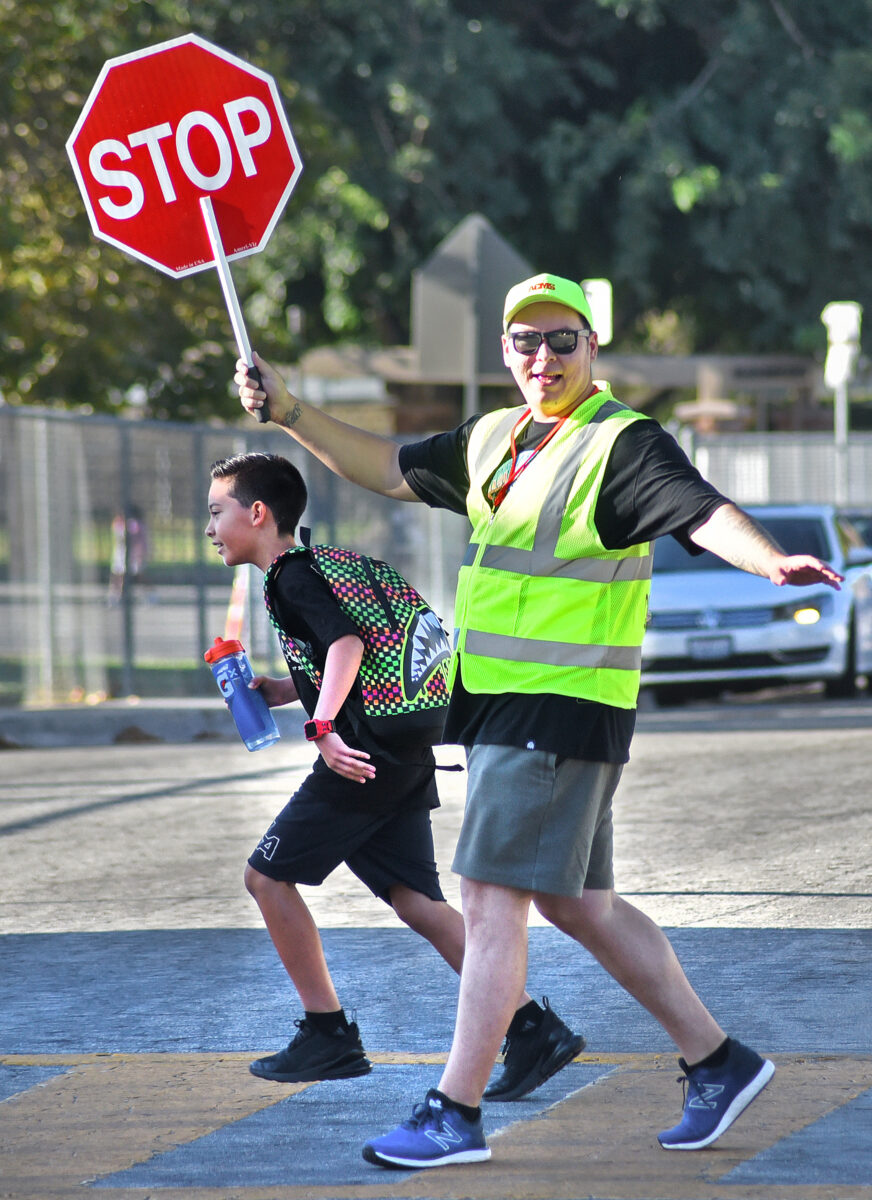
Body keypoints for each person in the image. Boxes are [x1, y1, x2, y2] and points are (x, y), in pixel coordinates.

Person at [234, 274, 844, 1167]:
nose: (544, 357)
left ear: (593, 348)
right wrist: (289, 411)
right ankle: (719, 1061)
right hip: (508, 711)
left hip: (559, 711)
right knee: (577, 902)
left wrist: (770, 563)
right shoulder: (495, 439)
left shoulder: (619, 443)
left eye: (564, 340)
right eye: (527, 342)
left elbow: (700, 509)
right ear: (507, 354)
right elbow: (388, 466)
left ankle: (456, 1112)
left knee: (485, 899)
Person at [205, 450, 584, 1094]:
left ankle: (327, 1033)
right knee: (417, 902)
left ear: (258, 513)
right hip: (404, 748)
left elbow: (347, 645)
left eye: (217, 512)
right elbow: (347, 652)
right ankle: (530, 1027)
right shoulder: (325, 566)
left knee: (266, 878)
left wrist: (322, 730)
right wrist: (275, 690)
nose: (210, 528)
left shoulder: (292, 577)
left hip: (365, 758)